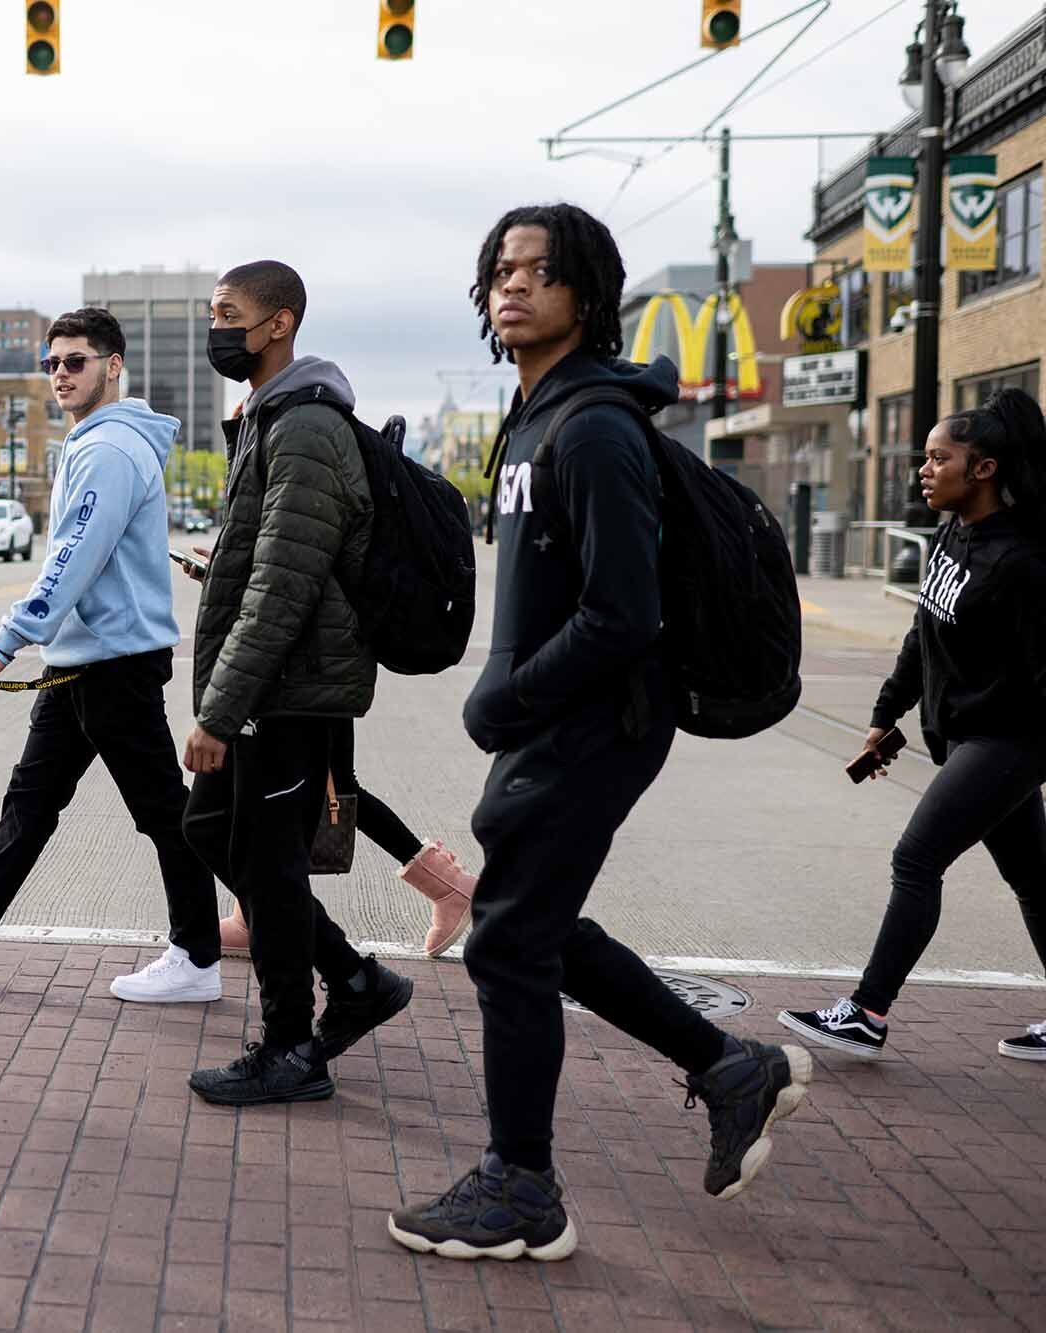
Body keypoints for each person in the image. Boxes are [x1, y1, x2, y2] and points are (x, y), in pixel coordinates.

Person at [388, 205, 809, 1264]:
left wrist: (508, 694)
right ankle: (727, 1066)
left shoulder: (594, 429)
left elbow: (624, 613)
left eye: (537, 271)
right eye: (498, 270)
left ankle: (521, 1186)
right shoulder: (530, 420)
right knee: (533, 926)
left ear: (587, 291)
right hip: (551, 720)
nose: (511, 286)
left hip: (597, 722)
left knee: (509, 944)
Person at [0, 307, 223, 1003]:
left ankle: (225, 955)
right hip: (87, 659)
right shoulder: (97, 444)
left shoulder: (107, 449)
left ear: (113, 365)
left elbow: (71, 561)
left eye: (76, 361)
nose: (60, 375)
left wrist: (6, 642)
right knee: (33, 800)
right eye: (53, 363)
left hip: (111, 664)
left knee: (163, 813)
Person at [180, 261, 415, 1108]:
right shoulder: (267, 418)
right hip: (270, 685)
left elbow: (285, 588)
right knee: (212, 830)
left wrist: (219, 709)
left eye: (229, 313)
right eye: (213, 311)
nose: (218, 327)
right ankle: (354, 979)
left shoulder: (308, 426)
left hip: (293, 690)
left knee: (271, 865)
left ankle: (290, 1048)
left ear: (279, 323)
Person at [780, 389, 1046, 1064]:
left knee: (916, 857)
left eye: (938, 457)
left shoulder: (1022, 565)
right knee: (1036, 880)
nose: (922, 469)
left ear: (983, 468)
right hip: (965, 736)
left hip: (1010, 741)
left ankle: (867, 1011)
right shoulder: (952, 534)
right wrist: (882, 716)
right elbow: (921, 632)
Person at [217, 726, 479, 958]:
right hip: (321, 684)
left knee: (329, 785)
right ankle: (447, 885)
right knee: (315, 783)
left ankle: (448, 886)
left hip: (311, 685)